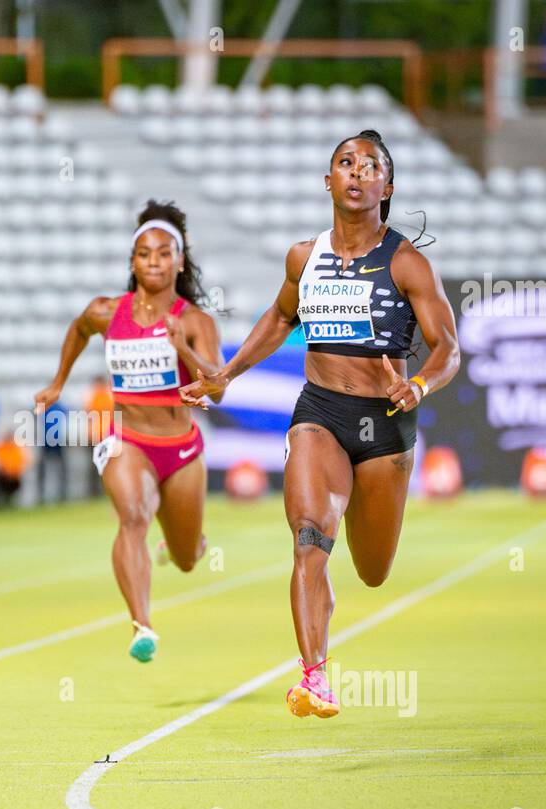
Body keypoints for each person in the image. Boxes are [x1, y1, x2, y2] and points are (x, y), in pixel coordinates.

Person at [181, 130, 460, 718]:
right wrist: (226, 373)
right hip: (321, 413)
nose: (357, 172)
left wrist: (418, 385)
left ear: (386, 187)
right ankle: (315, 677)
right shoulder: (303, 258)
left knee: (373, 570)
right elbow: (281, 316)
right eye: (345, 162)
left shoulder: (407, 263)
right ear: (327, 180)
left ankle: (331, 604)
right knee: (309, 537)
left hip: (384, 424)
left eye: (371, 166)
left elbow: (449, 349)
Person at [36, 200, 221, 663]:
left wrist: (186, 351)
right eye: (144, 254)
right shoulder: (105, 311)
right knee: (133, 518)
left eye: (163, 253)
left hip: (179, 451)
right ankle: (143, 625)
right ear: (132, 261)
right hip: (129, 441)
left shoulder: (195, 321)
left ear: (180, 261)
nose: (153, 262)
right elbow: (78, 330)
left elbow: (217, 387)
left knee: (185, 559)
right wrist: (58, 382)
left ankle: (186, 542)